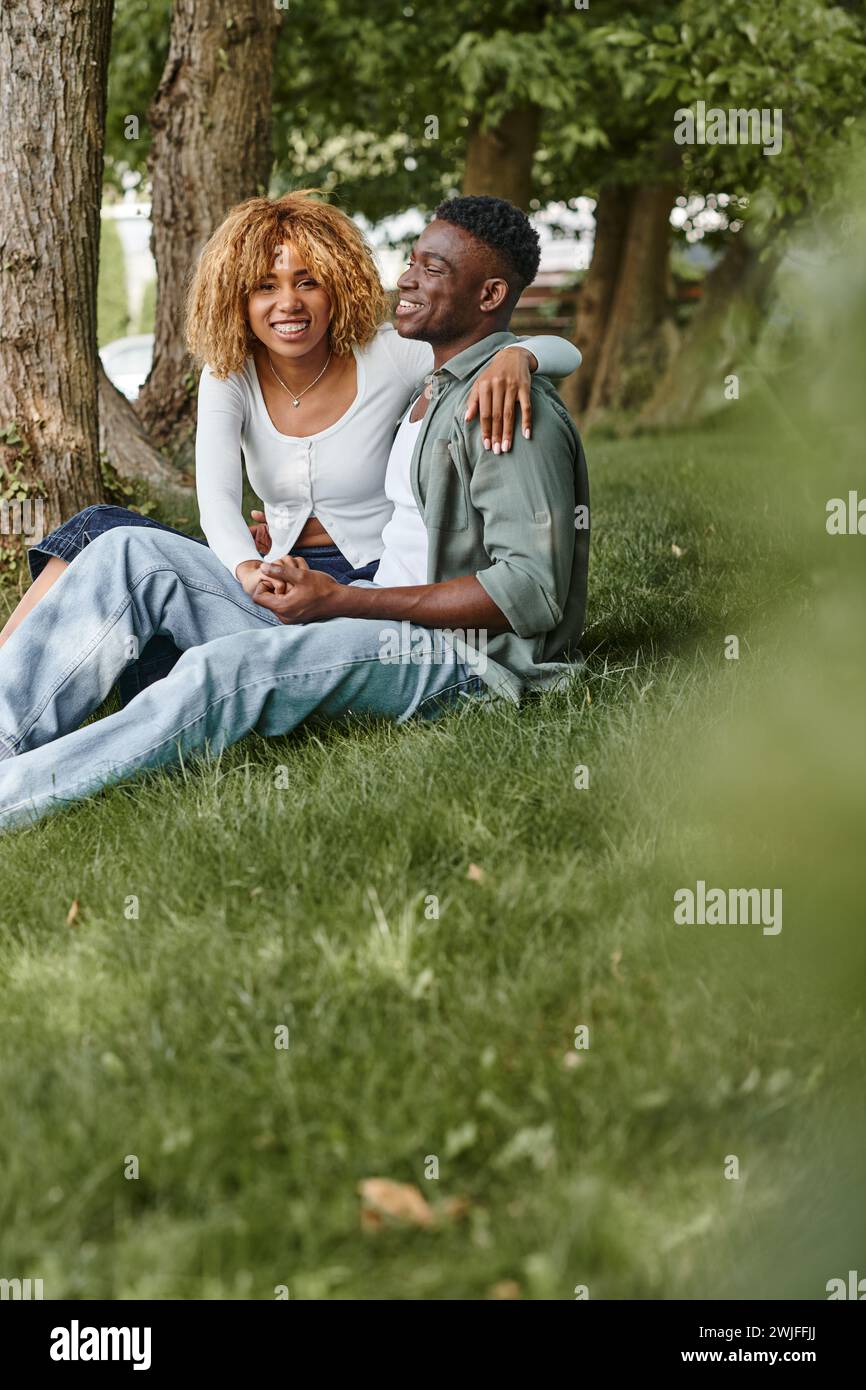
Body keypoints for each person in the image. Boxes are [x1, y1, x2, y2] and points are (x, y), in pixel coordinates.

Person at [0, 196, 589, 833]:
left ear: (489, 292)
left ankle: (16, 796)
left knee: (221, 671)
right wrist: (284, 577)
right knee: (125, 551)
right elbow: (219, 503)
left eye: (432, 269)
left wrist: (520, 354)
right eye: (411, 262)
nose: (408, 279)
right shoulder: (441, 389)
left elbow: (532, 593)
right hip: (362, 600)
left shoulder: (505, 408)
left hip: (460, 660)